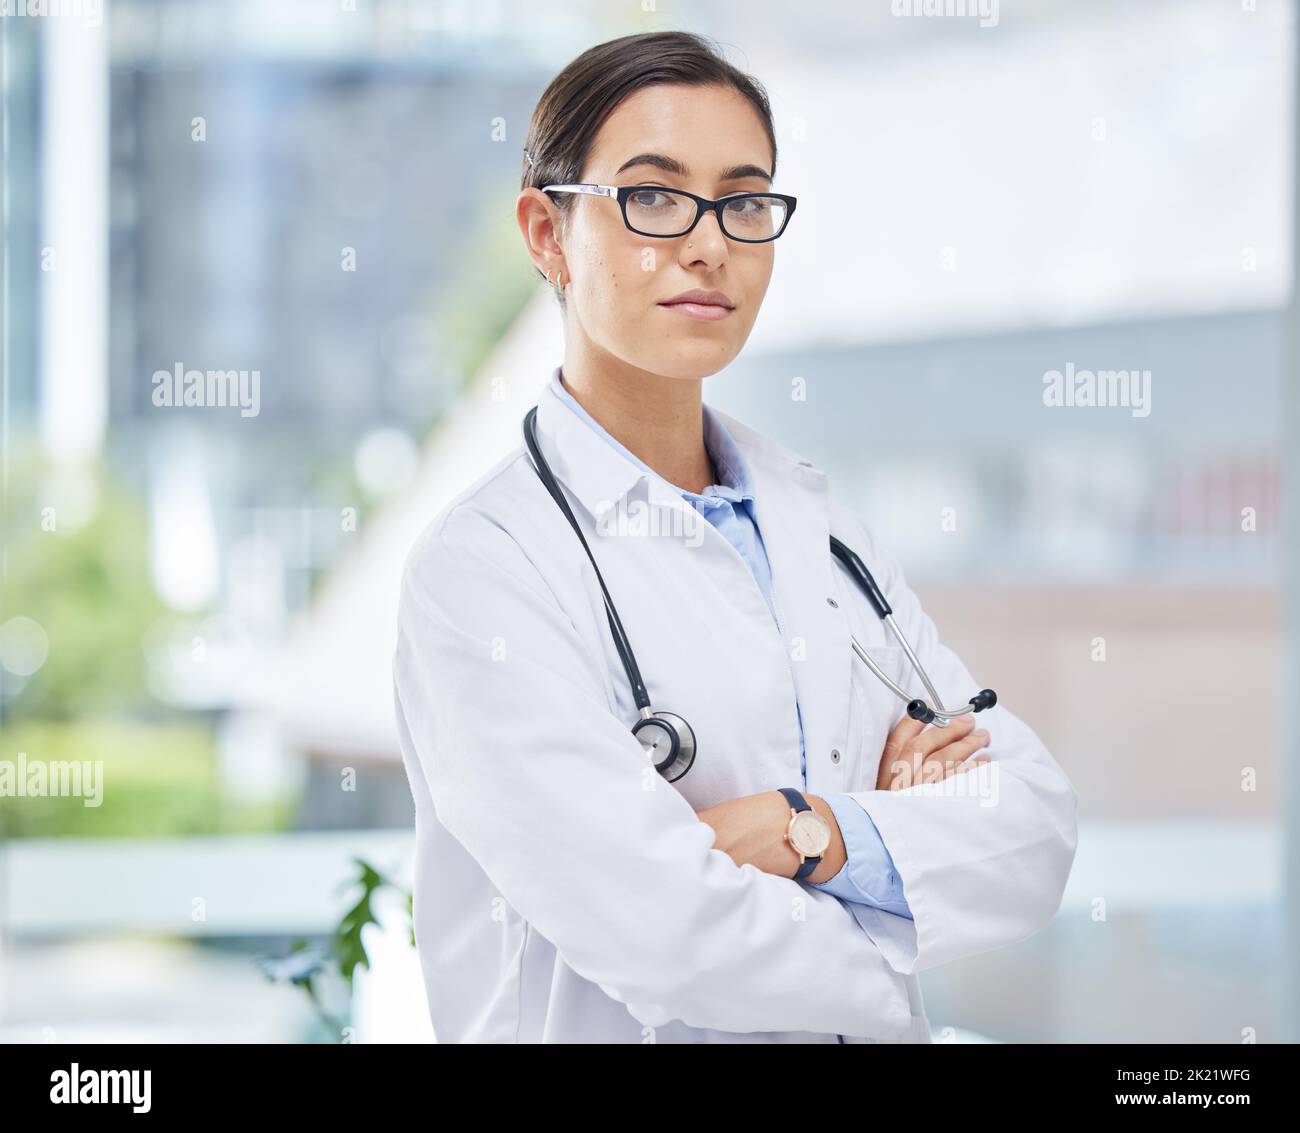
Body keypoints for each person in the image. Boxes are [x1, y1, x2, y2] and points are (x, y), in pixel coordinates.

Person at [392, 29, 1078, 1044]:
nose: (709, 242)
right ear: (545, 233)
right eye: (654, 196)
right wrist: (896, 882)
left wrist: (807, 829)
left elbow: (1030, 830)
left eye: (745, 200)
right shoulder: (484, 572)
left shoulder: (817, 522)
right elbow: (672, 938)